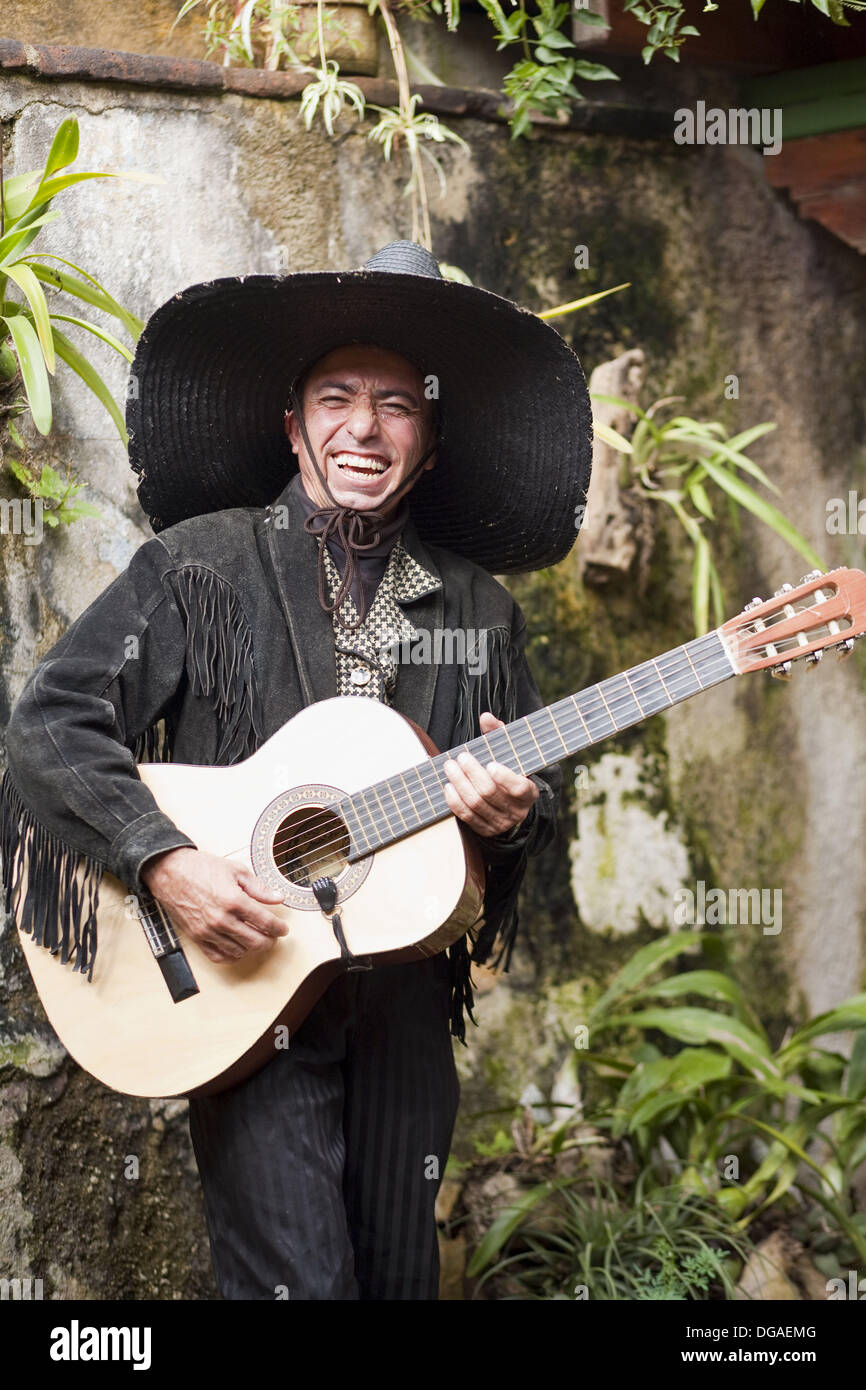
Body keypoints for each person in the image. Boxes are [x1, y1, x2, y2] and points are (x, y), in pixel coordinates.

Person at [0, 239, 593, 1300]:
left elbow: (535, 812)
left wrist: (508, 818)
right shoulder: (200, 566)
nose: (362, 427)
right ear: (292, 423)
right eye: (335, 396)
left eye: (396, 404)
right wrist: (163, 860)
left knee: (400, 1278)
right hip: (250, 981)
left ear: (431, 435)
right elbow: (51, 724)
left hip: (405, 1008)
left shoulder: (475, 608)